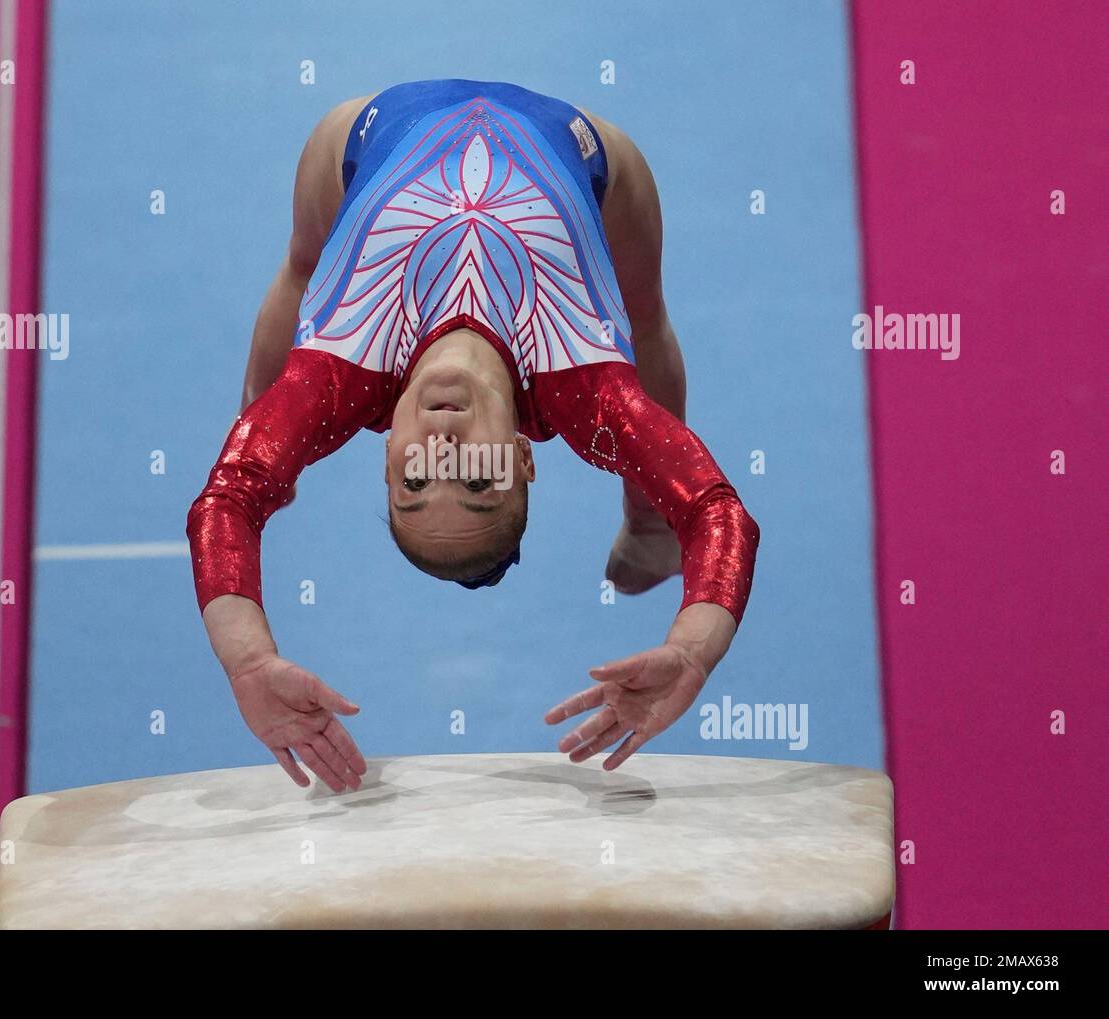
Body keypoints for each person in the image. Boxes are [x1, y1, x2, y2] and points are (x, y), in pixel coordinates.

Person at [187, 79, 760, 793]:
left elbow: (222, 503)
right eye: (480, 479)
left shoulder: (339, 379)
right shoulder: (583, 389)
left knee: (299, 302)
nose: (443, 450)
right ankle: (648, 523)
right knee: (640, 317)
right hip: (587, 151)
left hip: (364, 135)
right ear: (524, 455)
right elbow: (717, 513)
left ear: (385, 454)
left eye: (415, 481)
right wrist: (692, 652)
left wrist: (247, 661)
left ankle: (279, 453)